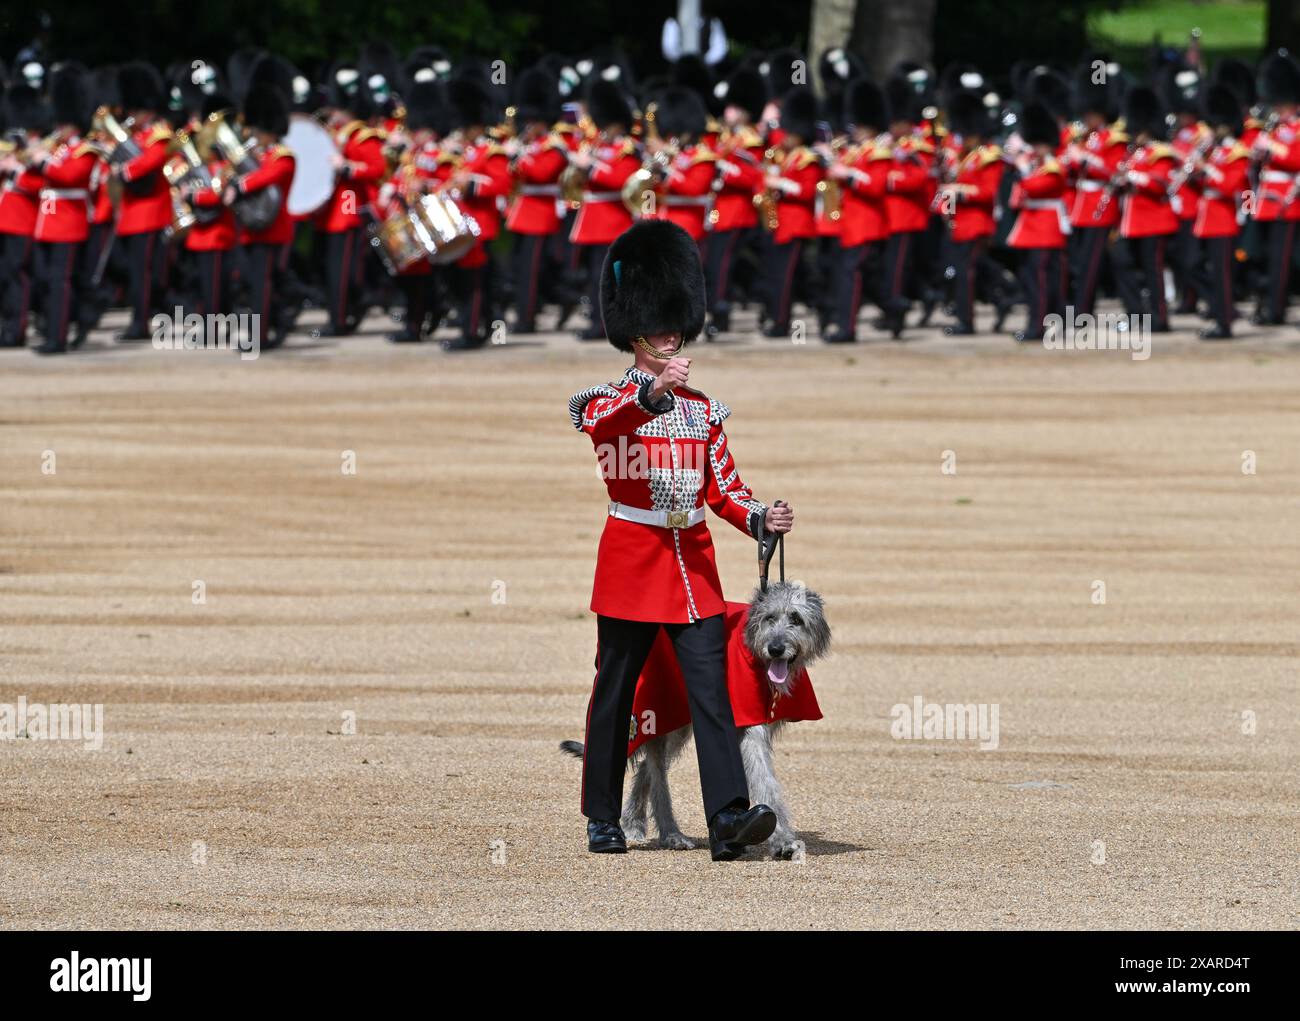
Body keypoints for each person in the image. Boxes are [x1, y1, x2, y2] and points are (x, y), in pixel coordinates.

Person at [569, 219, 792, 860]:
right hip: (633, 560)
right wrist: (650, 394)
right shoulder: (605, 400)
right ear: (634, 333)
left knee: (712, 694)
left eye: (676, 327)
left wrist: (759, 518)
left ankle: (726, 818)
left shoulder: (703, 409)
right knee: (615, 693)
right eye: (661, 328)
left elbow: (723, 486)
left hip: (692, 566)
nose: (672, 337)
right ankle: (603, 816)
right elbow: (607, 423)